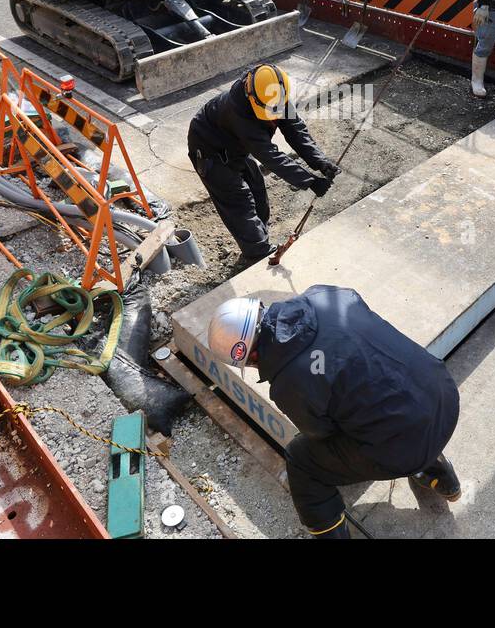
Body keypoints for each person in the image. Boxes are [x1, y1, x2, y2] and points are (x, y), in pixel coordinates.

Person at [207, 285, 461, 538]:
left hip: (406, 444)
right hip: (442, 395)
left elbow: (321, 433)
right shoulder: (324, 295)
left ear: (250, 355)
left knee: (301, 459)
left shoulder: (289, 382)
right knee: (392, 402)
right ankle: (443, 478)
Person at [187, 64, 339, 264]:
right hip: (209, 151)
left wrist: (320, 161)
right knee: (239, 202)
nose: (274, 114)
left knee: (258, 191)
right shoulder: (238, 110)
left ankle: (258, 240)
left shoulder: (274, 93)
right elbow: (269, 155)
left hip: (236, 145)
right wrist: (310, 181)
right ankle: (257, 254)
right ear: (251, 95)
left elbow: (296, 130)